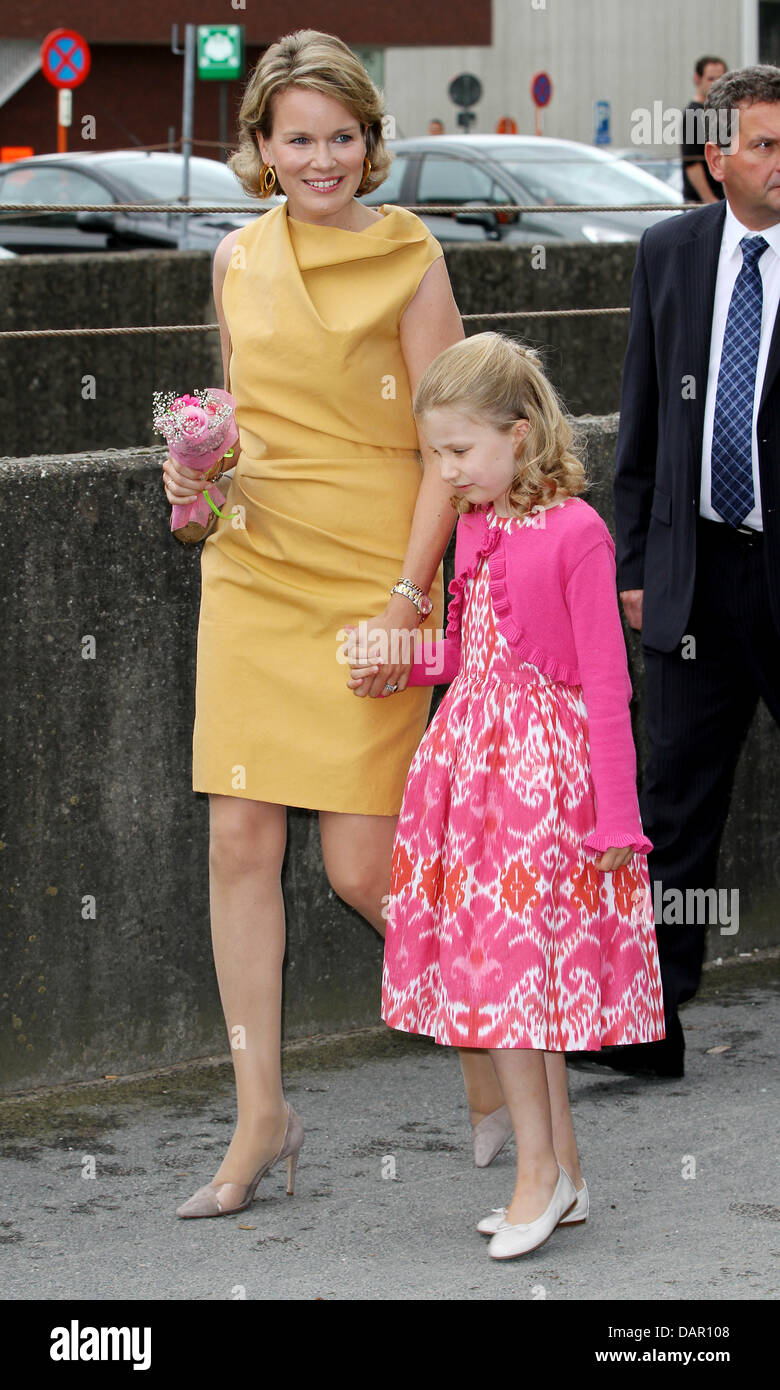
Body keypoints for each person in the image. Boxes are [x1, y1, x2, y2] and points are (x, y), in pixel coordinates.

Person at [162, 29, 510, 1220]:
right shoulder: (232, 260)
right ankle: (261, 1110)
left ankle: (483, 1031)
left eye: (342, 137)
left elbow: (448, 448)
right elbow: (241, 420)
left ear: (372, 141)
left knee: (363, 864)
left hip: (380, 573)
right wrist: (197, 480)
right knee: (239, 841)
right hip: (255, 569)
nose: (322, 159)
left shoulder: (412, 257)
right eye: (297, 138)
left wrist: (410, 598)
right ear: (260, 147)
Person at [347, 332, 665, 1260]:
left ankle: (536, 1175)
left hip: (542, 785)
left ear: (519, 437)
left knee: (515, 985)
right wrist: (399, 661)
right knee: (513, 977)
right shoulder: (480, 526)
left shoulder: (578, 533)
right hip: (472, 773)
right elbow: (472, 652)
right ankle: (561, 1171)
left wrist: (619, 819)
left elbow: (607, 684)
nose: (445, 474)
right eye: (436, 455)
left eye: (459, 452)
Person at [610, 65, 780, 1080]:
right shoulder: (670, 252)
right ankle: (649, 1024)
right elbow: (642, 422)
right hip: (696, 573)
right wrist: (636, 562)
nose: (779, 161)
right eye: (764, 144)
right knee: (672, 802)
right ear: (716, 158)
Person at [681, 54, 727, 203]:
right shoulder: (693, 114)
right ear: (697, 79)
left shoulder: (722, 112)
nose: (716, 83)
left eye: (720, 78)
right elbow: (692, 163)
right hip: (701, 203)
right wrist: (709, 200)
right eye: (710, 78)